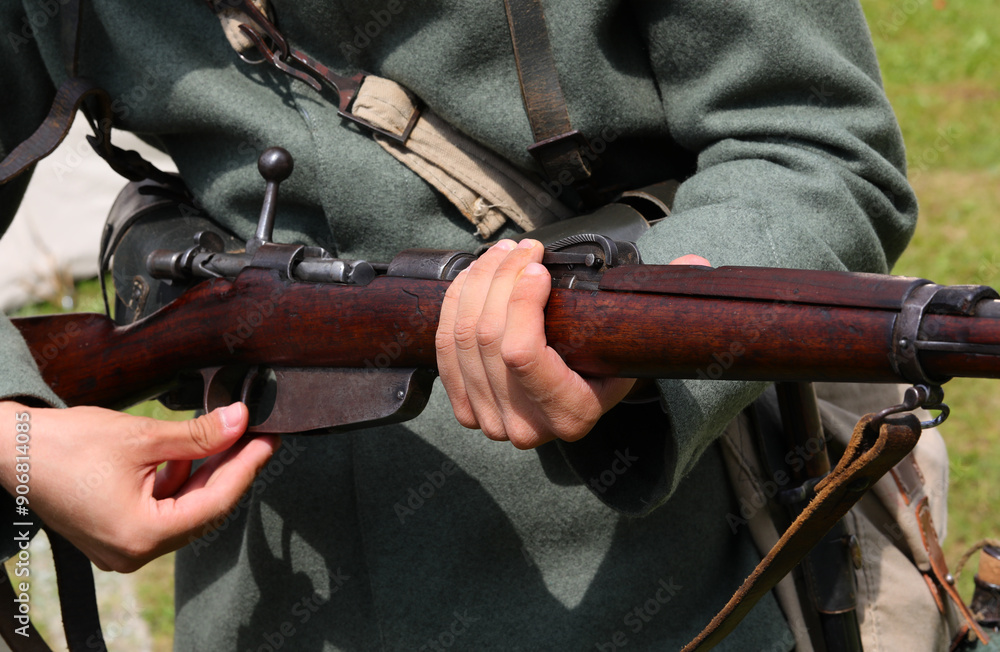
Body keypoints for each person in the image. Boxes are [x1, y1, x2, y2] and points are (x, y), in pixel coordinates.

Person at [0, 0, 937, 649]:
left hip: (656, 598)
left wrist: (638, 328)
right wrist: (18, 439)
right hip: (265, 602)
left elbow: (817, 144)